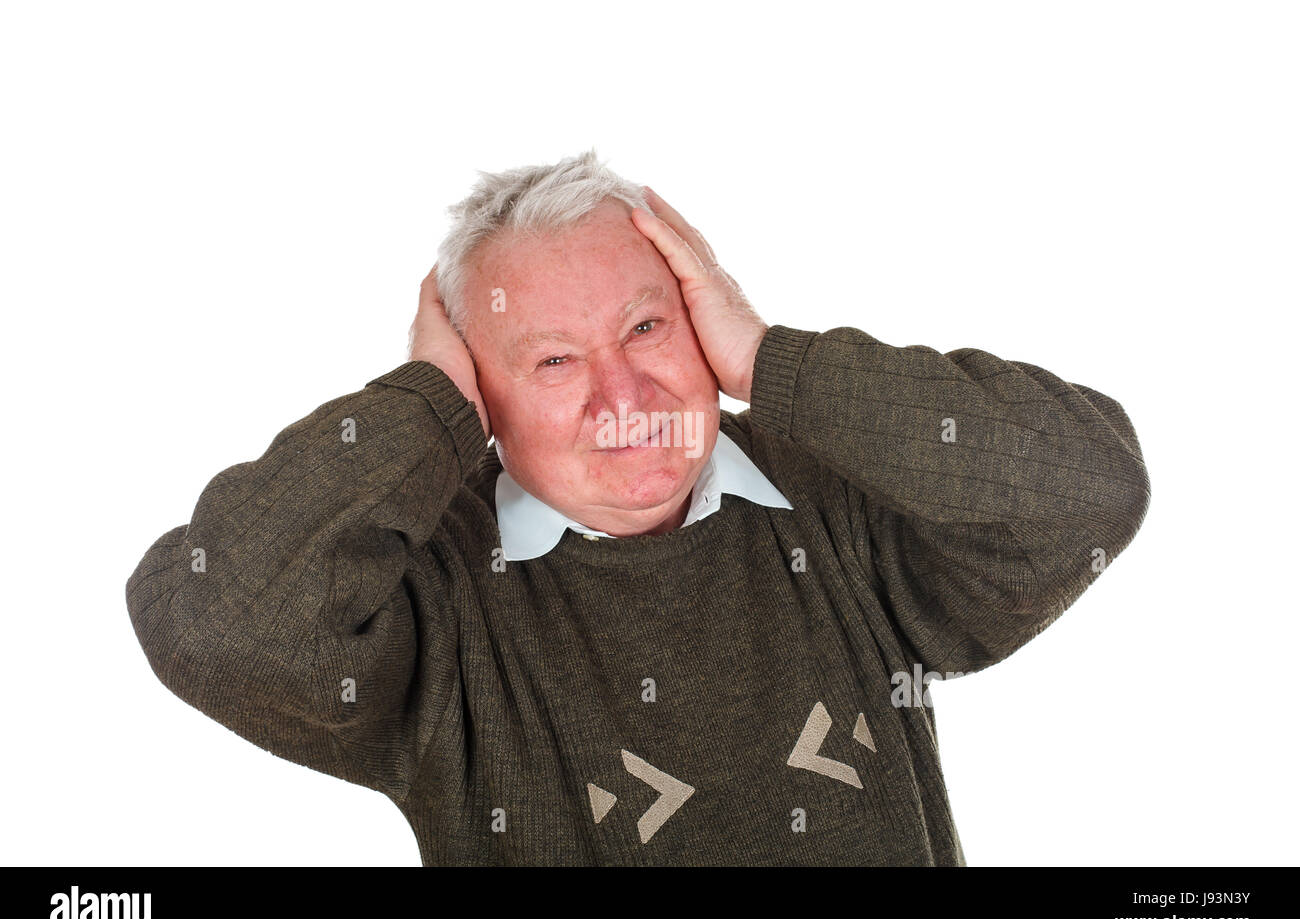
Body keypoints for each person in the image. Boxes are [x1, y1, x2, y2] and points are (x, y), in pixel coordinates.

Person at [125, 150, 1150, 865]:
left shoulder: (836, 499)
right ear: (478, 393)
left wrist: (770, 361)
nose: (626, 401)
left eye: (648, 326)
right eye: (555, 359)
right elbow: (217, 624)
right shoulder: (425, 597)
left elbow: (1088, 490)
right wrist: (418, 414)